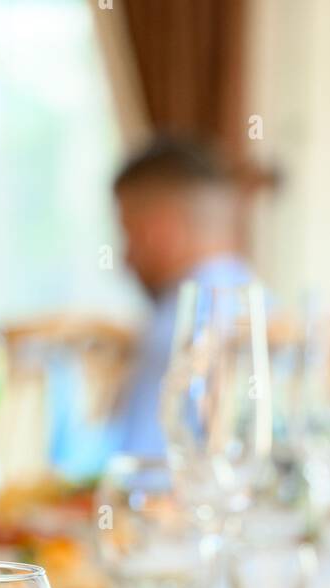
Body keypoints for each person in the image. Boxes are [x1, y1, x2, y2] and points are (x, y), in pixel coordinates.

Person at [112, 136, 251, 458]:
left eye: (127, 234)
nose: (125, 260)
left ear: (160, 232)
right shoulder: (267, 309)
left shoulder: (174, 329)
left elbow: (138, 474)